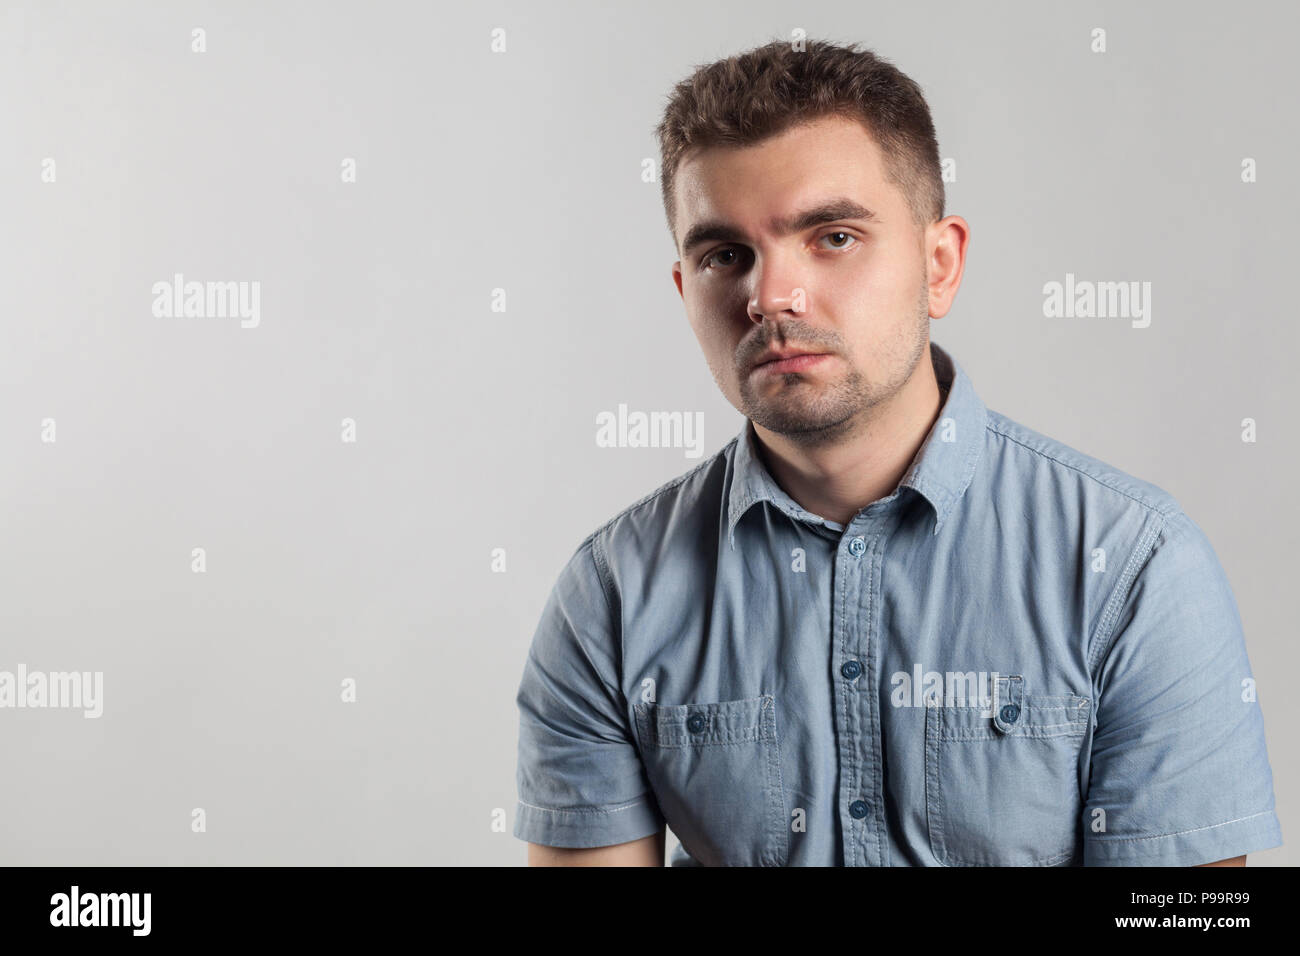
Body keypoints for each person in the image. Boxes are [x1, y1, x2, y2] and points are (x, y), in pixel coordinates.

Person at [512, 38, 1282, 866]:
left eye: (832, 236)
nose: (771, 295)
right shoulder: (612, 596)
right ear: (684, 290)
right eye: (724, 255)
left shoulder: (1134, 568)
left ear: (939, 264)